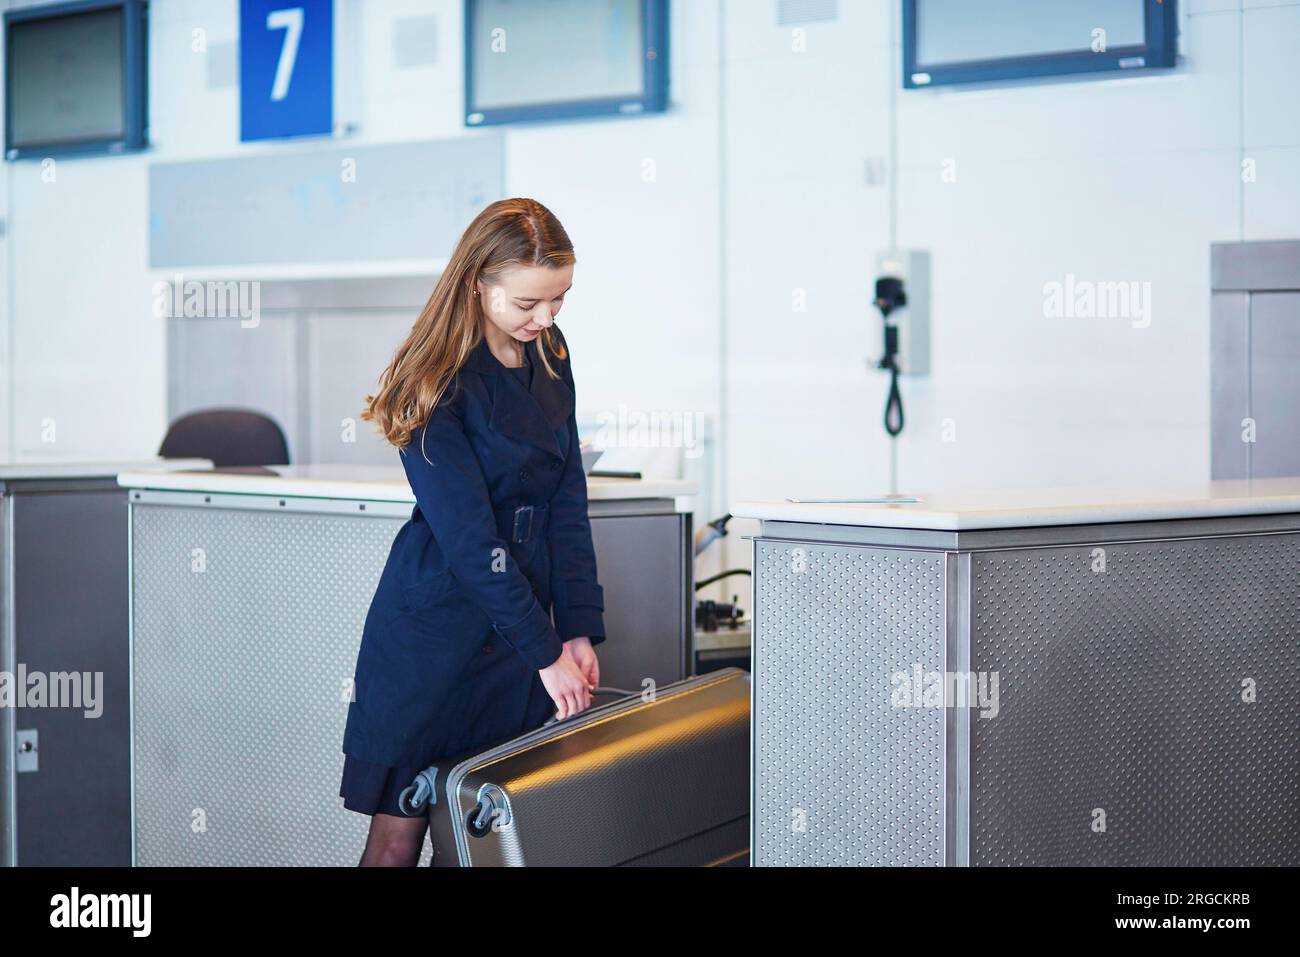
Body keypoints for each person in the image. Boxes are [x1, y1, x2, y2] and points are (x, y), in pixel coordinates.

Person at [339, 198, 606, 866]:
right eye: (527, 303)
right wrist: (547, 653)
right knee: (396, 842)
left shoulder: (549, 353)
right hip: (434, 641)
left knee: (485, 847)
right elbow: (469, 543)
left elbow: (566, 500)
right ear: (477, 285)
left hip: (518, 642)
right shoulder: (432, 382)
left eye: (559, 299)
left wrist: (575, 627)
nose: (544, 319)